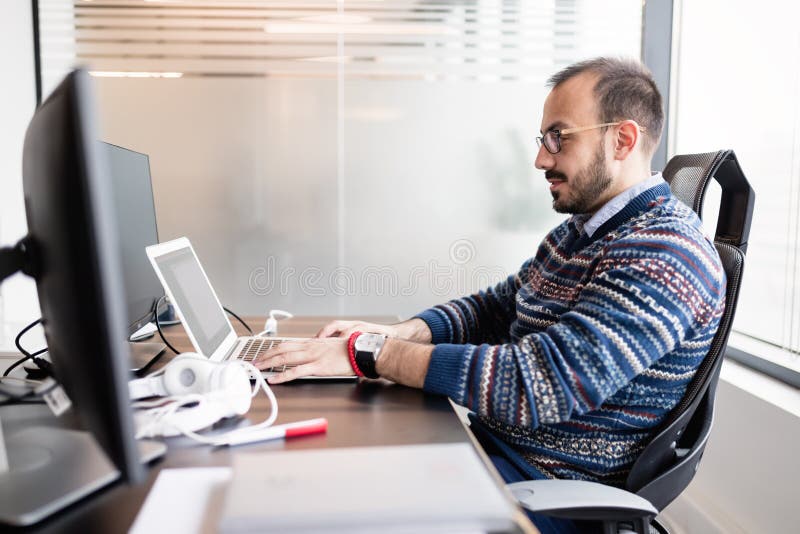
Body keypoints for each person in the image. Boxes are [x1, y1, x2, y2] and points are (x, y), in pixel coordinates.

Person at [255, 57, 726, 531]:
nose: (542, 158)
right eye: (543, 139)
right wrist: (397, 332)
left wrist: (373, 354)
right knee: (312, 475)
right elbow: (496, 307)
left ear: (622, 139)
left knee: (316, 508)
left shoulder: (666, 252)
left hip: (545, 493)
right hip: (495, 453)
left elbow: (538, 384)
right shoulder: (581, 234)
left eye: (559, 138)